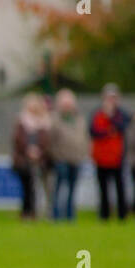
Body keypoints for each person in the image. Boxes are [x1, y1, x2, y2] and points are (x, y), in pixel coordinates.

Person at [91, 84, 130, 221]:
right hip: (101, 158)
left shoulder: (121, 114)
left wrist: (111, 117)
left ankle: (122, 214)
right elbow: (94, 132)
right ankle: (104, 215)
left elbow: (123, 126)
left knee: (120, 188)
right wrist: (109, 130)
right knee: (103, 189)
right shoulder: (97, 113)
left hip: (117, 158)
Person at [12, 93, 51, 220]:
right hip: (24, 161)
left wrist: (39, 151)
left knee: (40, 188)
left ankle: (40, 212)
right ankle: (27, 213)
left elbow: (47, 141)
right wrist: (28, 150)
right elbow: (17, 140)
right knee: (27, 188)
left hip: (40, 161)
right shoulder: (21, 121)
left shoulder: (45, 122)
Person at [50, 89, 87, 221]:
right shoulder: (54, 120)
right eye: (64, 103)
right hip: (61, 160)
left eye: (69, 103)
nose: (67, 106)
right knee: (59, 189)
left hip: (76, 159)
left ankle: (70, 216)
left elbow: (84, 138)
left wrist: (82, 153)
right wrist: (57, 156)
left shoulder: (79, 119)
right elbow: (51, 141)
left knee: (72, 190)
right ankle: (56, 216)